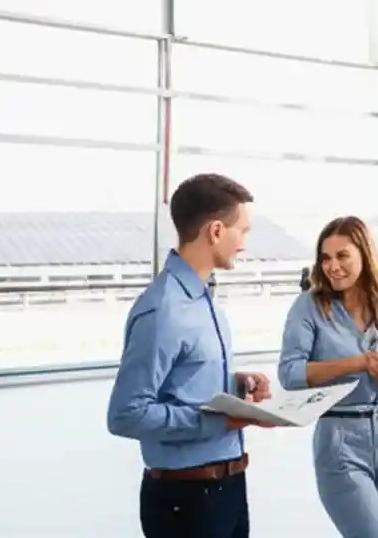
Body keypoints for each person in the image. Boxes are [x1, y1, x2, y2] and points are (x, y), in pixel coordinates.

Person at [107, 173, 276, 538]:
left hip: (228, 487)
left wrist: (236, 383)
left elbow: (185, 376)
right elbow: (125, 414)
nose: (244, 243)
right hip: (186, 500)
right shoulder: (164, 308)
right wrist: (219, 421)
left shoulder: (202, 298)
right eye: (242, 231)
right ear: (215, 231)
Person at [278, 216, 378, 538]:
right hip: (340, 439)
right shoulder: (309, 307)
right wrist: (359, 363)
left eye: (342, 256)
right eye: (325, 258)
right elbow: (290, 373)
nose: (332, 266)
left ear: (365, 256)